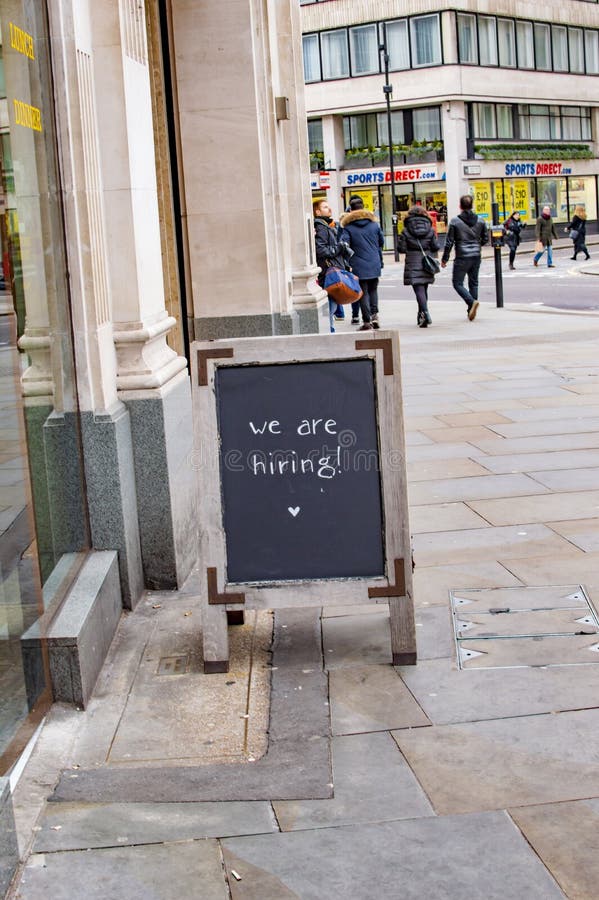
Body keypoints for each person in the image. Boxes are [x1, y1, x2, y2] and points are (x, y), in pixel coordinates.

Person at [339, 196, 385, 331]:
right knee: (373, 290)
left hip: (358, 264)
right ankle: (375, 316)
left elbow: (344, 245)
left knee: (363, 293)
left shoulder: (348, 227)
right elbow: (381, 242)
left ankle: (366, 321)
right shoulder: (374, 224)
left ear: (351, 210)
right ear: (363, 207)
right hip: (374, 262)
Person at [441, 194, 488, 321]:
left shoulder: (455, 222)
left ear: (460, 206)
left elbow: (449, 242)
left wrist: (445, 258)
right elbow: (485, 239)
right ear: (472, 205)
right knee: (474, 283)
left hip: (462, 256)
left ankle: (471, 302)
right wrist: (477, 245)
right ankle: (471, 310)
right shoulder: (481, 220)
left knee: (457, 283)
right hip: (476, 256)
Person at [398, 205, 439, 328]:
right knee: (424, 289)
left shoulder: (406, 230)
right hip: (426, 261)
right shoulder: (430, 229)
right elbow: (435, 247)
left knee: (419, 289)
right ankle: (422, 313)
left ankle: (425, 313)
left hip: (413, 261)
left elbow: (402, 249)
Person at [313, 199, 351, 332]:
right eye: (325, 207)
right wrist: (338, 249)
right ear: (317, 212)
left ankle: (330, 328)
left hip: (332, 268)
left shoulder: (327, 225)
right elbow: (321, 249)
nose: (329, 209)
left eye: (328, 206)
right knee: (332, 302)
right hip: (328, 270)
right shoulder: (321, 227)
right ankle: (329, 329)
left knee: (334, 302)